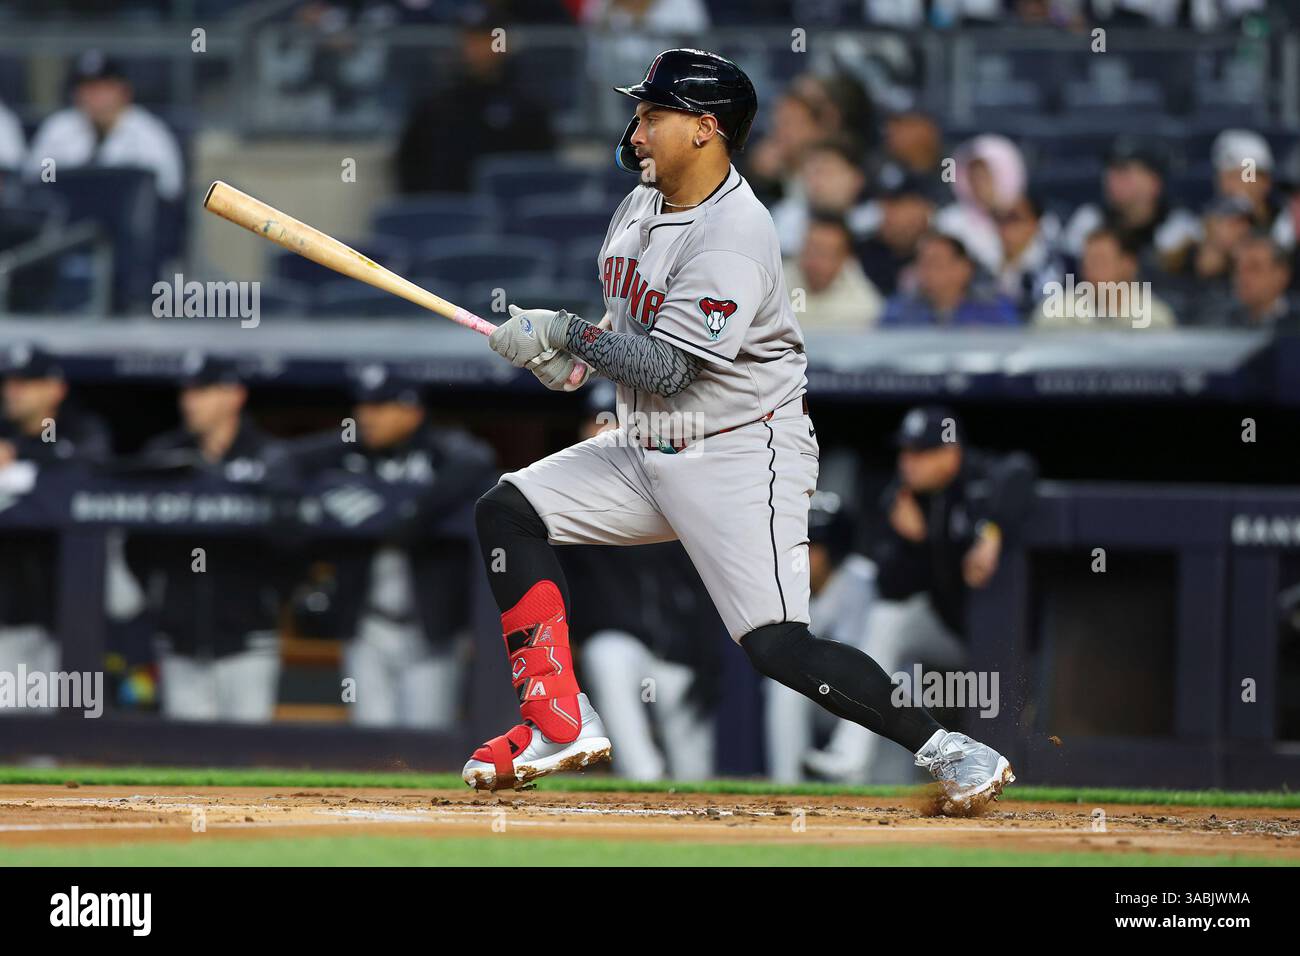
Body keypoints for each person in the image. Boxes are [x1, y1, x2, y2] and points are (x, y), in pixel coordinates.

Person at [464, 48, 1016, 815]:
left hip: (738, 450)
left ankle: (951, 749)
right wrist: (565, 358)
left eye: (654, 114)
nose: (638, 127)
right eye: (641, 111)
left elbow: (670, 369)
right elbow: (627, 337)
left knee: (777, 645)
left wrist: (562, 330)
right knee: (507, 509)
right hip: (649, 443)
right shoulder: (640, 201)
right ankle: (558, 720)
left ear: (706, 129)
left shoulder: (734, 232)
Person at [806, 406, 1037, 784]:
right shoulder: (902, 500)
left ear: (950, 454)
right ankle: (850, 757)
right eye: (905, 452)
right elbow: (890, 586)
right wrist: (916, 542)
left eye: (919, 453)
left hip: (1006, 641)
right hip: (948, 631)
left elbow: (1020, 471)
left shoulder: (977, 479)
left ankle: (989, 772)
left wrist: (992, 534)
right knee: (888, 621)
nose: (907, 462)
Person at [282, 365, 496, 728]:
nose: (366, 416)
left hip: (431, 631)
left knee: (426, 742)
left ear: (411, 410)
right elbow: (282, 461)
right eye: (363, 406)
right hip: (367, 626)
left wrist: (412, 514)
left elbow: (479, 460)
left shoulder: (442, 453)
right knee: (371, 742)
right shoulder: (347, 452)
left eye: (380, 406)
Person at [564, 388, 723, 781]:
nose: (604, 431)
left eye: (615, 421)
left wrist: (708, 660)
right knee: (608, 651)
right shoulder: (565, 496)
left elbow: (708, 586)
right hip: (621, 645)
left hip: (679, 656)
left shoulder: (679, 484)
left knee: (694, 773)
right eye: (596, 421)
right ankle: (641, 776)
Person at [126, 355, 286, 722]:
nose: (189, 401)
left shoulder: (269, 456)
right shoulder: (164, 455)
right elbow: (138, 544)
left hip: (249, 637)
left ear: (234, 396)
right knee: (184, 760)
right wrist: (159, 598)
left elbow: (292, 543)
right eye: (187, 392)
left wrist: (273, 595)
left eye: (202, 391)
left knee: (249, 759)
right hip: (178, 636)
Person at [0, 345, 110, 708]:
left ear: (55, 388)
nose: (14, 391)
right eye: (10, 382)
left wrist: (20, 460)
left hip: (70, 619)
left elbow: (85, 467)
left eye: (27, 382)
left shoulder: (80, 430)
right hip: (8, 617)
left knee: (66, 734)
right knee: (11, 734)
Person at [763, 491, 875, 783]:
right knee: (782, 684)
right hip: (824, 694)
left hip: (871, 698)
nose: (800, 555)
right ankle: (787, 782)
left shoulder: (860, 581)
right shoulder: (786, 582)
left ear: (835, 549)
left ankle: (850, 765)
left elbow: (856, 661)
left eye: (811, 547)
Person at [394, 18, 555, 194]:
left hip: (510, 213)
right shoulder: (435, 106)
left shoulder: (528, 107)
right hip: (449, 212)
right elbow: (410, 164)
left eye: (488, 40)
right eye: (472, 40)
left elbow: (544, 169)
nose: (479, 49)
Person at [26, 51, 184, 201]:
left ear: (124, 91)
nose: (95, 96)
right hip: (69, 223)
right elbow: (35, 182)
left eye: (104, 88)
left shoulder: (149, 133)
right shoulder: (58, 129)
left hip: (127, 226)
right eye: (88, 88)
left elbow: (169, 190)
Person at [1060, 137, 1198, 275]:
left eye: (1124, 171)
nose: (1112, 179)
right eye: (1110, 171)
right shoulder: (1090, 220)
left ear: (1154, 182)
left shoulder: (1179, 225)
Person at [1033, 226, 1177, 329]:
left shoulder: (1154, 319)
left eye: (1100, 261)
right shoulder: (1056, 313)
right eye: (1087, 261)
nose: (1090, 269)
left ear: (1128, 265)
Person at [882, 231, 1019, 327]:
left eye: (935, 262)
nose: (926, 270)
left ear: (964, 268)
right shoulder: (898, 312)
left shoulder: (994, 308)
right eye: (921, 263)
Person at [783, 212, 883, 331]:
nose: (815, 262)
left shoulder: (865, 304)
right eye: (811, 250)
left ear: (844, 259)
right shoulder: (772, 286)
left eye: (825, 254)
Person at [856, 174, 936, 297]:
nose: (899, 216)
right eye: (890, 206)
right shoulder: (860, 253)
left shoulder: (939, 250)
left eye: (907, 204)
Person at [994, 191, 1065, 318]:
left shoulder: (1050, 267)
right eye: (1001, 220)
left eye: (1014, 219)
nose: (1005, 227)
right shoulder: (990, 263)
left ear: (1035, 224)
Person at [1217, 233, 1298, 333]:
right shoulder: (1218, 318)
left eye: (1254, 268)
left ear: (1281, 275)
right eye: (1237, 268)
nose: (1242, 277)